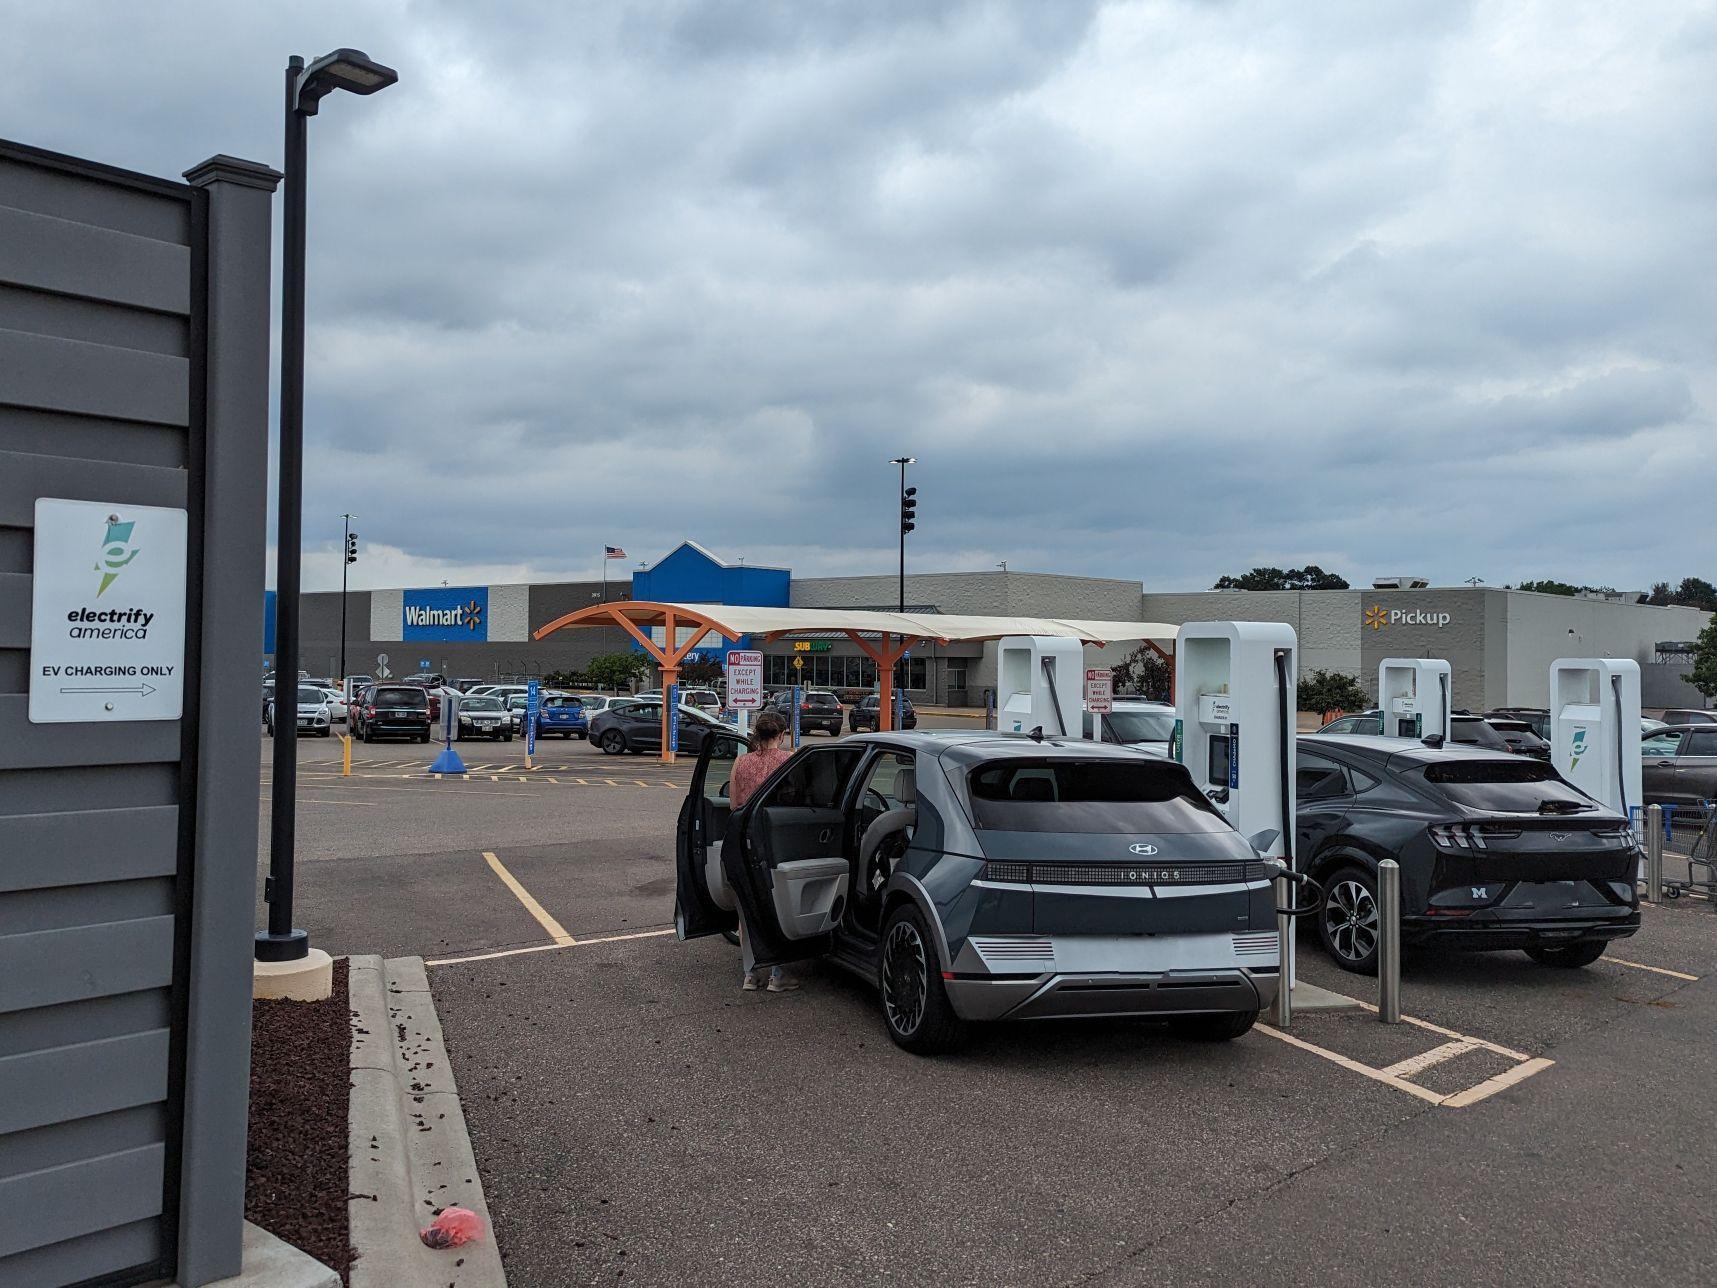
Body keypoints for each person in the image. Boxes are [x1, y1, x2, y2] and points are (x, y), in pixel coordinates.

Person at [728, 711, 799, 992]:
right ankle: (778, 974)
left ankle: (750, 973)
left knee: (746, 909)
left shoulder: (740, 763)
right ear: (781, 735)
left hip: (744, 841)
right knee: (776, 907)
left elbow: (734, 805)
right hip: (777, 842)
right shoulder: (790, 760)